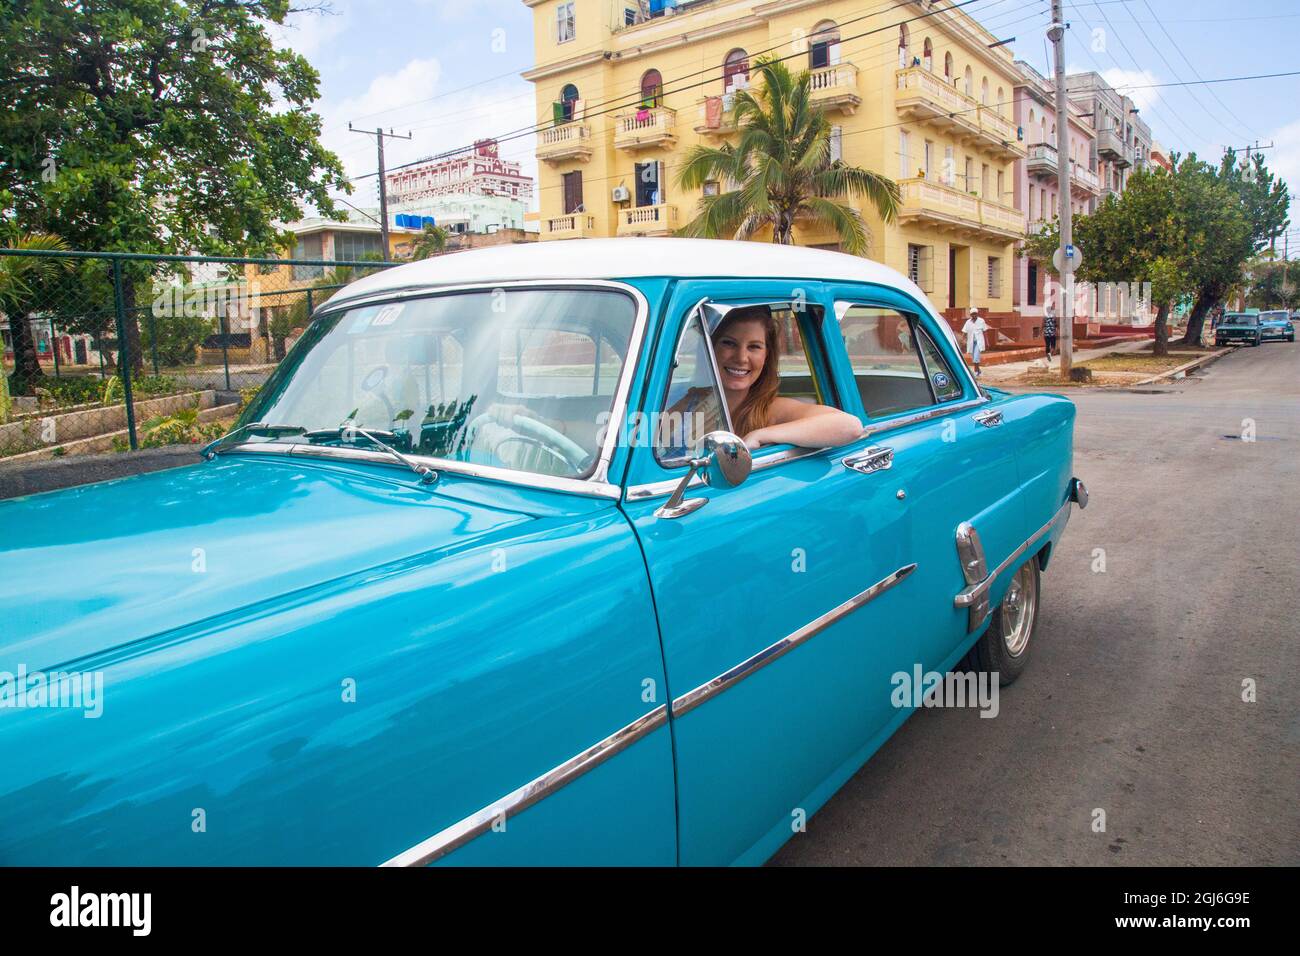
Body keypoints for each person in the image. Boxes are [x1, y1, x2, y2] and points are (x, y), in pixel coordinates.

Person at [664, 306, 863, 454]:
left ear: (767, 355)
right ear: (710, 349)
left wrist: (760, 435)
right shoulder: (691, 400)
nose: (741, 357)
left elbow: (849, 426)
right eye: (729, 343)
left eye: (754, 347)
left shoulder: (770, 409)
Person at [961, 307, 989, 378]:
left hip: (978, 342)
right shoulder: (968, 322)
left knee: (976, 357)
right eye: (972, 314)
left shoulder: (981, 321)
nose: (974, 315)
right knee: (974, 357)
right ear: (970, 315)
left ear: (977, 314)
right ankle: (978, 371)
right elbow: (964, 331)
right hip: (971, 342)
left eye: (975, 314)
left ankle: (976, 372)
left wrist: (987, 341)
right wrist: (962, 340)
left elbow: (985, 331)